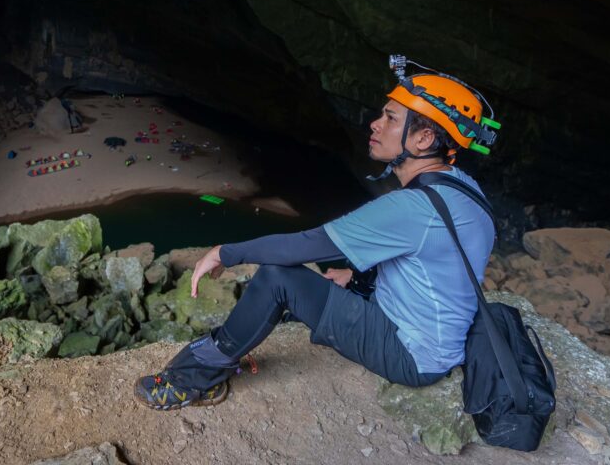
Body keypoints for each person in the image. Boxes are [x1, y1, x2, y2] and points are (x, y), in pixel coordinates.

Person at [134, 59, 499, 410]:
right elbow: (432, 260)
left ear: (422, 139)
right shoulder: (461, 188)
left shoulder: (412, 208)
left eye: (390, 118)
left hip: (412, 355)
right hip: (433, 336)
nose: (374, 124)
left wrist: (224, 252)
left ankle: (189, 380)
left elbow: (306, 245)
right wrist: (359, 278)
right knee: (321, 281)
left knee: (278, 277)